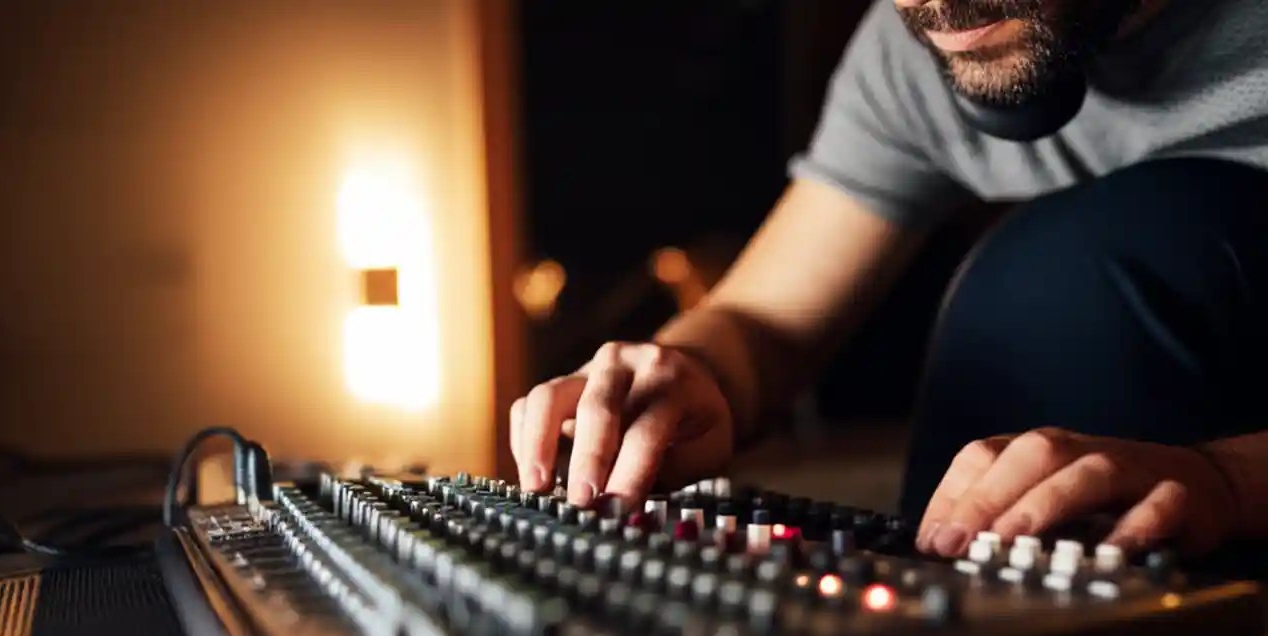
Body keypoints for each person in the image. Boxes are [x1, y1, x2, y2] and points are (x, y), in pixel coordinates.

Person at [509, 0, 1268, 561]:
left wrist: (1227, 484)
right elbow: (762, 324)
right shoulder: (935, 42)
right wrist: (687, 374)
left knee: (1081, 264)